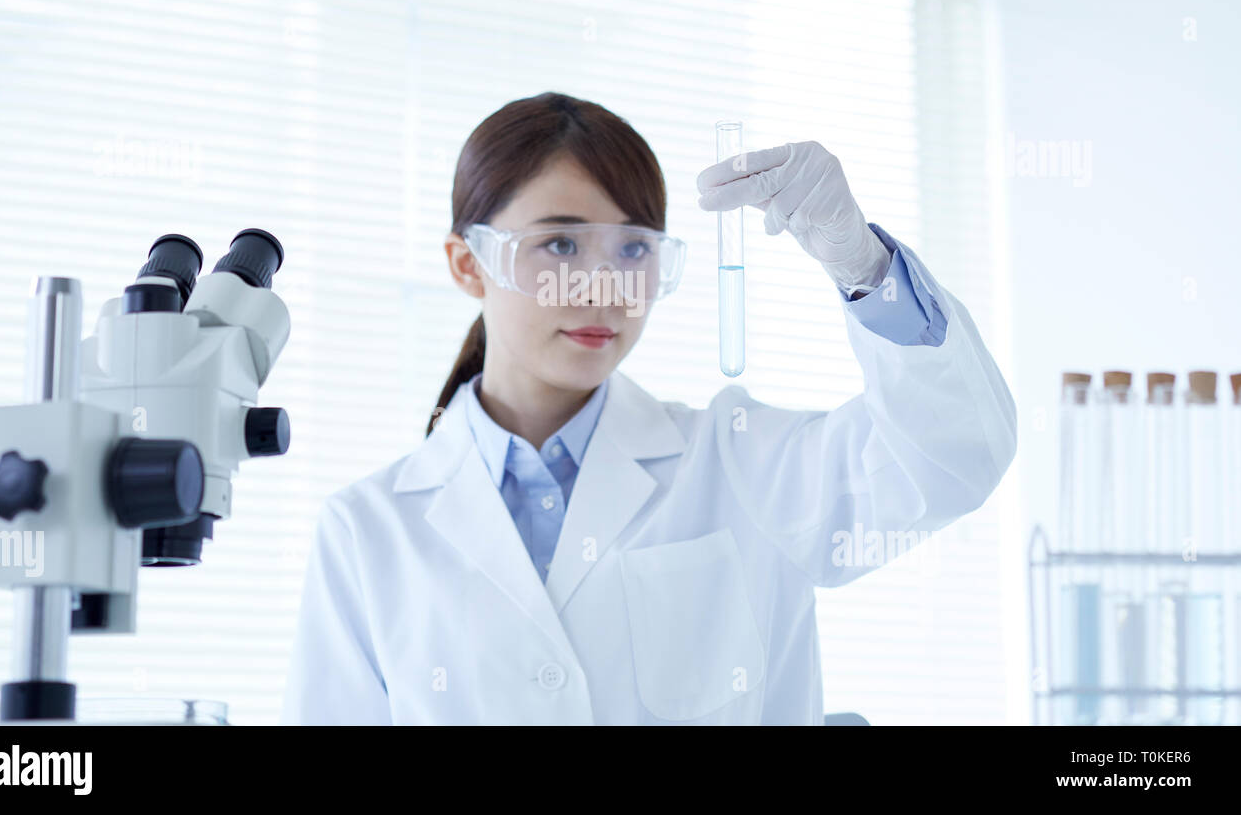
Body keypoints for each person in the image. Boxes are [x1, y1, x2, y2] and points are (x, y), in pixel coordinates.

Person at [281, 91, 1016, 724]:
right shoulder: (368, 532)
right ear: (468, 263)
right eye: (561, 243)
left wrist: (865, 267)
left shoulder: (739, 461)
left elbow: (952, 457)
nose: (604, 283)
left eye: (633, 250)